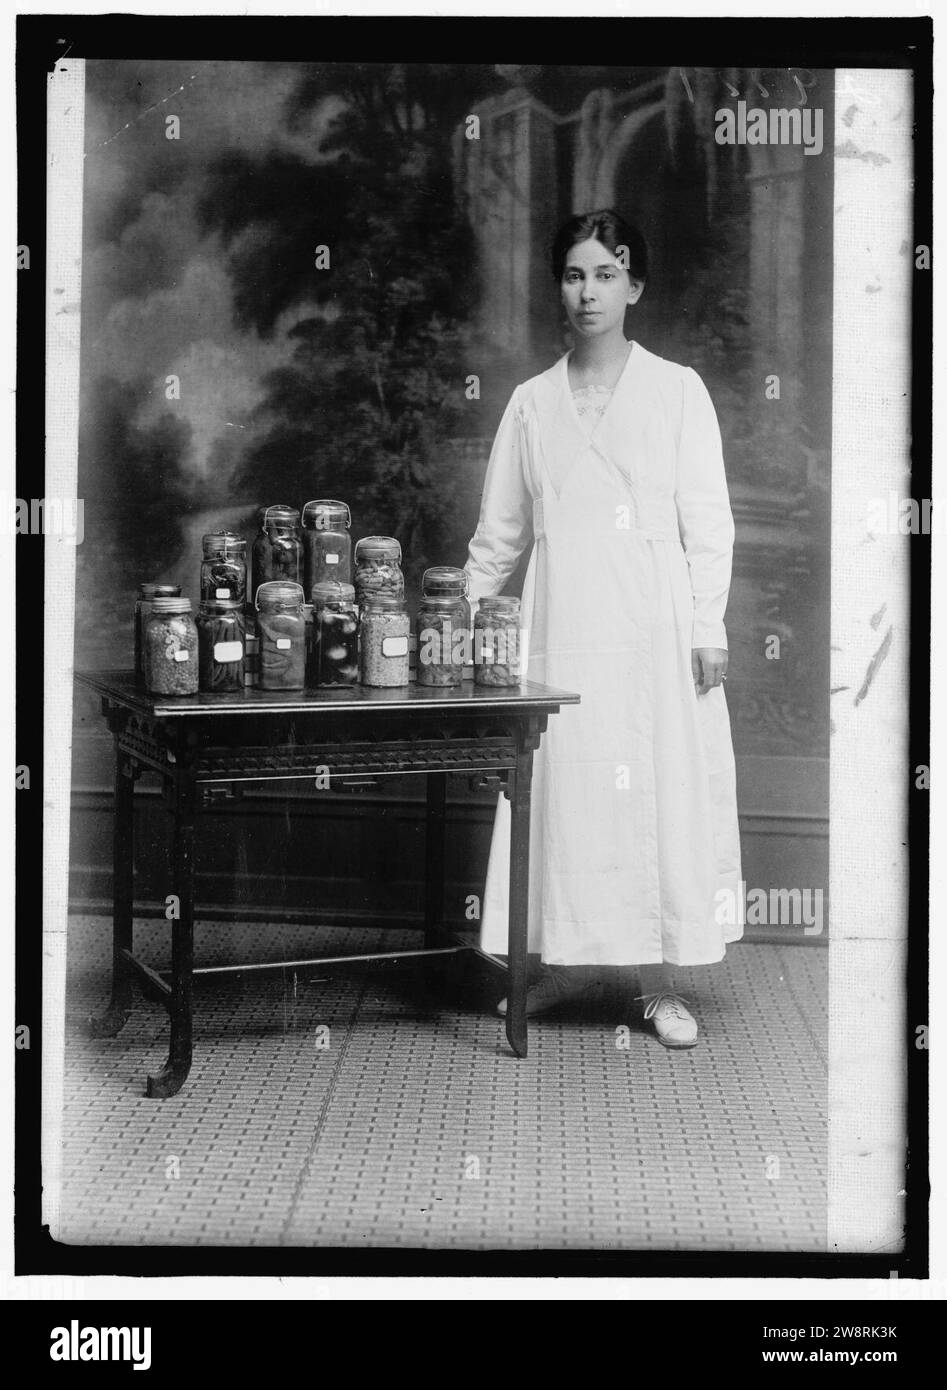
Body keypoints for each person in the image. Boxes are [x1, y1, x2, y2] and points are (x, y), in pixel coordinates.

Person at [463, 209, 742, 1048]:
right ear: (560, 286)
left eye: (606, 275)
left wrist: (706, 625)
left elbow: (709, 520)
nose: (588, 293)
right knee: (565, 792)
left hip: (652, 624)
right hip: (562, 620)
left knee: (652, 789)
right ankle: (558, 964)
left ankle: (657, 982)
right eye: (574, 275)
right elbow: (498, 535)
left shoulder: (675, 390)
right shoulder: (530, 403)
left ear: (634, 286)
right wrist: (463, 629)